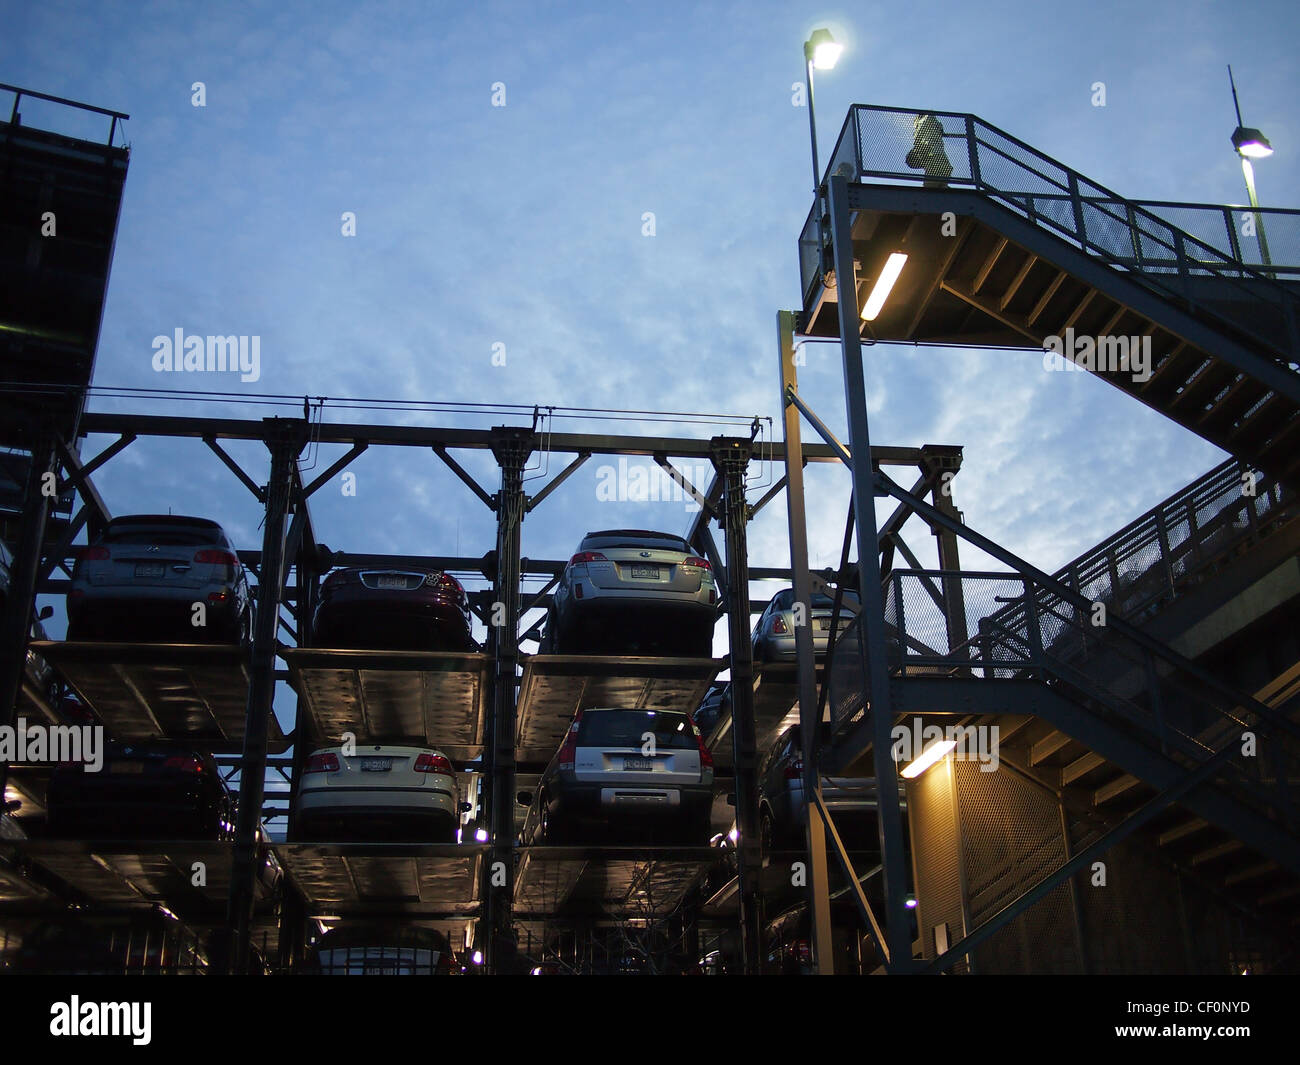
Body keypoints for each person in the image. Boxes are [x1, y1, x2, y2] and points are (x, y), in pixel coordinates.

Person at [905, 113, 953, 187]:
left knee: (927, 192)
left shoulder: (924, 131)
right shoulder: (934, 131)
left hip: (935, 165)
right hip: (945, 165)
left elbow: (928, 118)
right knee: (941, 188)